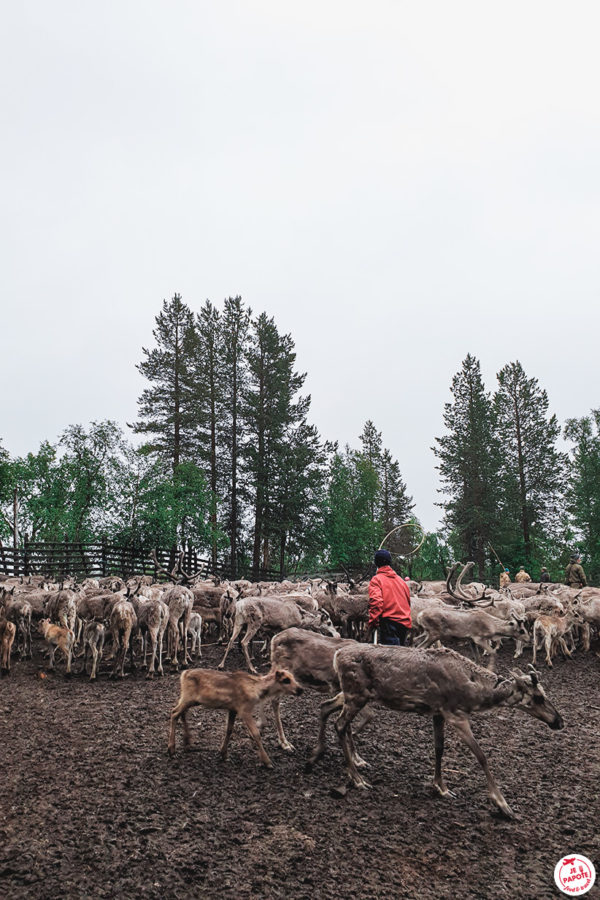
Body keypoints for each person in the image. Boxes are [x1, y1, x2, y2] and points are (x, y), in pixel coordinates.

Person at [368, 549, 411, 646]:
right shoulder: (401, 581)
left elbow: (376, 602)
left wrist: (373, 622)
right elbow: (408, 602)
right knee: (401, 652)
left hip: (389, 623)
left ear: (376, 563)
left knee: (391, 654)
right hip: (404, 623)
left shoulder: (376, 580)